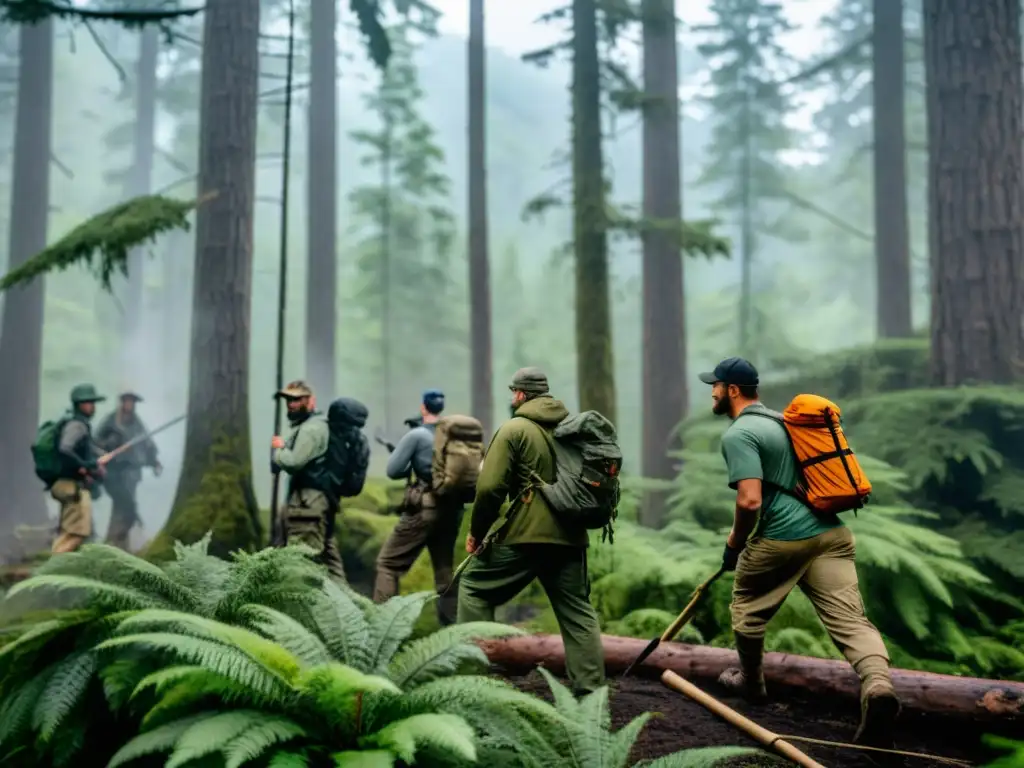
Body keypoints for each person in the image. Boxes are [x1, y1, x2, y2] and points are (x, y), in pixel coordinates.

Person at [701, 356, 899, 747]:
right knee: (852, 621)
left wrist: (734, 545)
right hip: (832, 535)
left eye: (716, 385)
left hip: (783, 538)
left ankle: (751, 685)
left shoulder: (740, 435)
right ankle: (877, 686)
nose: (712, 391)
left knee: (747, 607)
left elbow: (750, 501)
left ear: (733, 391)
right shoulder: (785, 422)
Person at [456, 367, 605, 696]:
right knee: (578, 611)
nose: (512, 398)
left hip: (525, 535)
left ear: (522, 395)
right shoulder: (573, 429)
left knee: (474, 588)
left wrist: (477, 533)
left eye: (514, 392)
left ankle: (470, 680)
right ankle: (591, 694)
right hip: (571, 536)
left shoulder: (514, 429)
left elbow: (491, 487)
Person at [374, 389, 463, 625]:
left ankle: (381, 628)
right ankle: (453, 631)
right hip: (452, 511)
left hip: (424, 509)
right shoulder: (455, 435)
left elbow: (394, 471)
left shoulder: (417, 436)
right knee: (444, 571)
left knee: (388, 564)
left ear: (424, 408)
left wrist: (410, 459)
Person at [271, 380, 345, 582]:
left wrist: (279, 450)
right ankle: (354, 609)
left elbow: (294, 462)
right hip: (314, 502)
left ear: (310, 401)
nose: (291, 404)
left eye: (296, 399)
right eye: (288, 400)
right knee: (330, 565)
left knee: (301, 566)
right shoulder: (314, 426)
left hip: (306, 505)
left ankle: (306, 611)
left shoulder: (311, 430)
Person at [94, 391, 162, 550]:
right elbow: (96, 442)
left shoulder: (137, 423)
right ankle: (114, 543)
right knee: (124, 506)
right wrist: (109, 445)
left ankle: (120, 544)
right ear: (122, 403)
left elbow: (147, 444)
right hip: (115, 472)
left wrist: (154, 462)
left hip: (132, 472)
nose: (130, 405)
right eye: (127, 401)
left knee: (125, 507)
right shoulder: (111, 421)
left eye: (132, 402)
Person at [51, 384, 109, 554]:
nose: (92, 406)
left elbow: (85, 449)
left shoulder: (80, 425)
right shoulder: (77, 425)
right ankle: (50, 574)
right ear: (80, 404)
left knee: (80, 535)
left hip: (75, 486)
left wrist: (96, 460)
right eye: (89, 402)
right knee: (74, 535)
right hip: (73, 487)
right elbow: (65, 448)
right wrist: (84, 465)